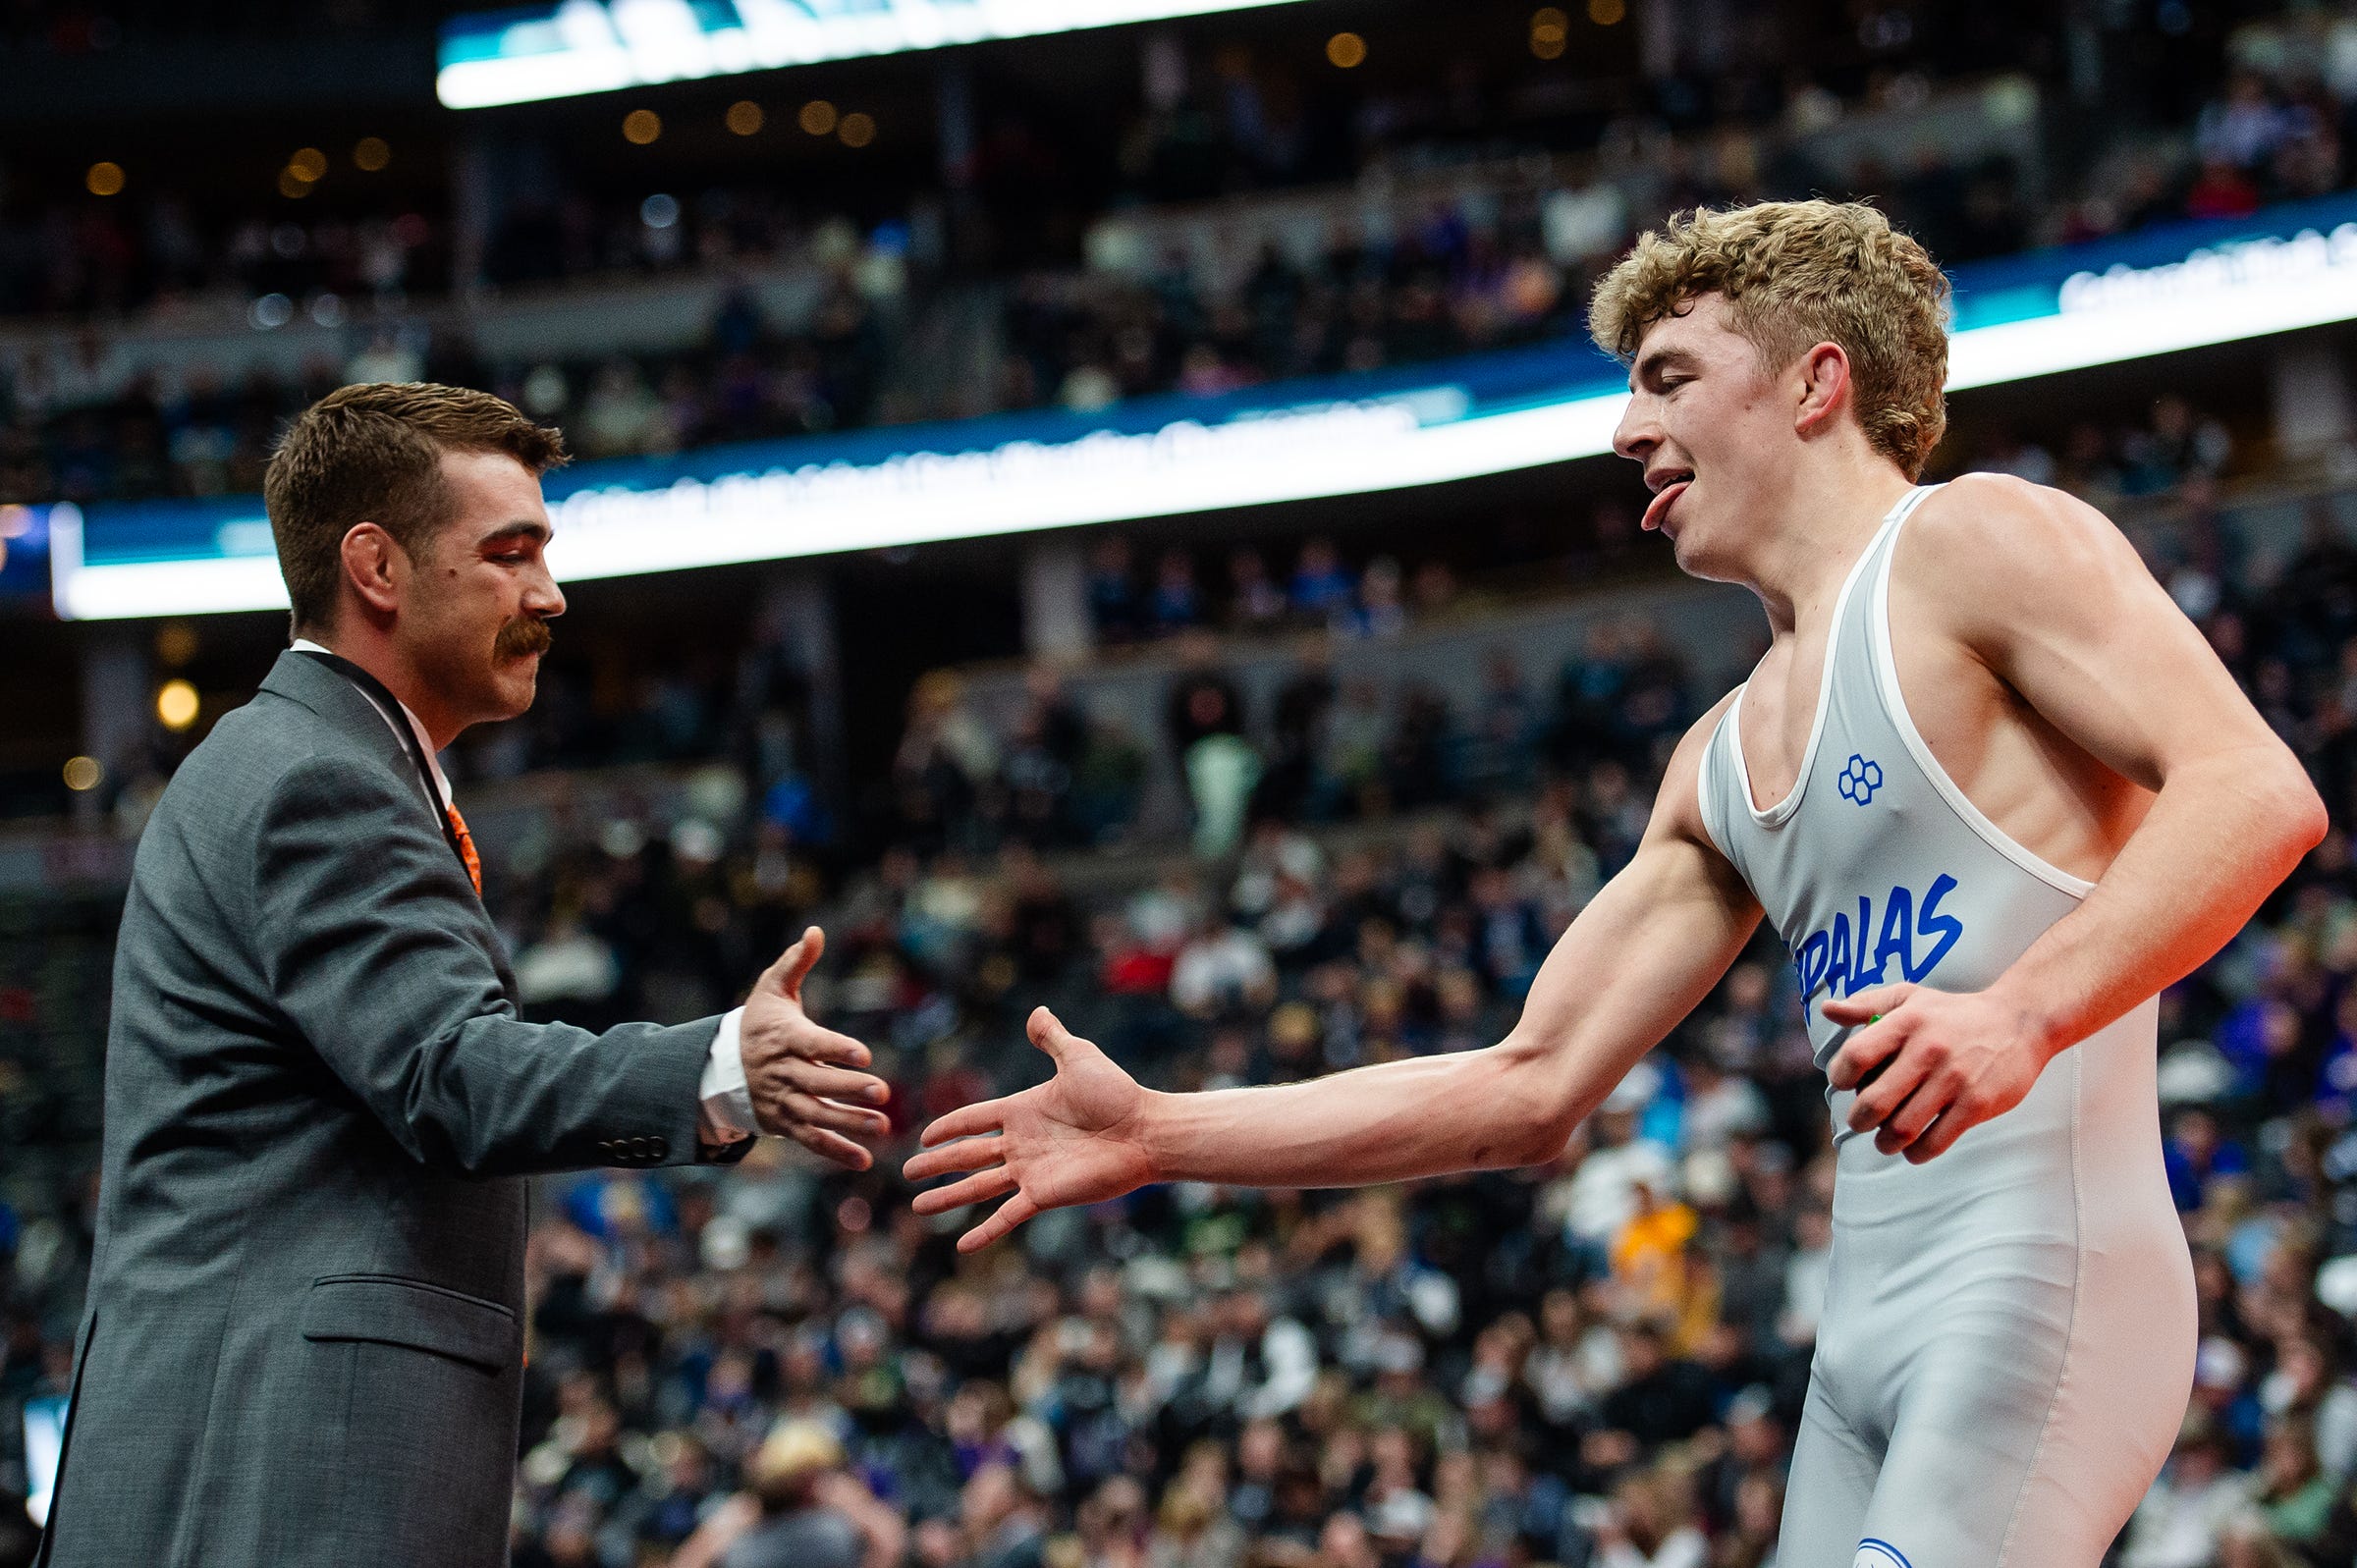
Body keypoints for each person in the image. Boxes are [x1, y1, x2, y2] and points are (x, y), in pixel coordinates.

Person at [904, 202, 2328, 1568]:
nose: (1625, 431)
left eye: (1669, 378)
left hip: (2042, 1289)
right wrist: (1161, 1132)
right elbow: (1529, 1085)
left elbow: (2256, 794)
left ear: (1816, 381)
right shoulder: (1715, 760)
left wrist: (2022, 1014)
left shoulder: (1974, 542)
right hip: (1862, 1348)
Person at [37, 383, 893, 1568]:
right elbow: (449, 1068)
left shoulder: (308, 758)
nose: (550, 593)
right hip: (279, 1467)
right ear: (376, 568)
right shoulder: (314, 775)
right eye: (509, 552)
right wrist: (717, 1066)